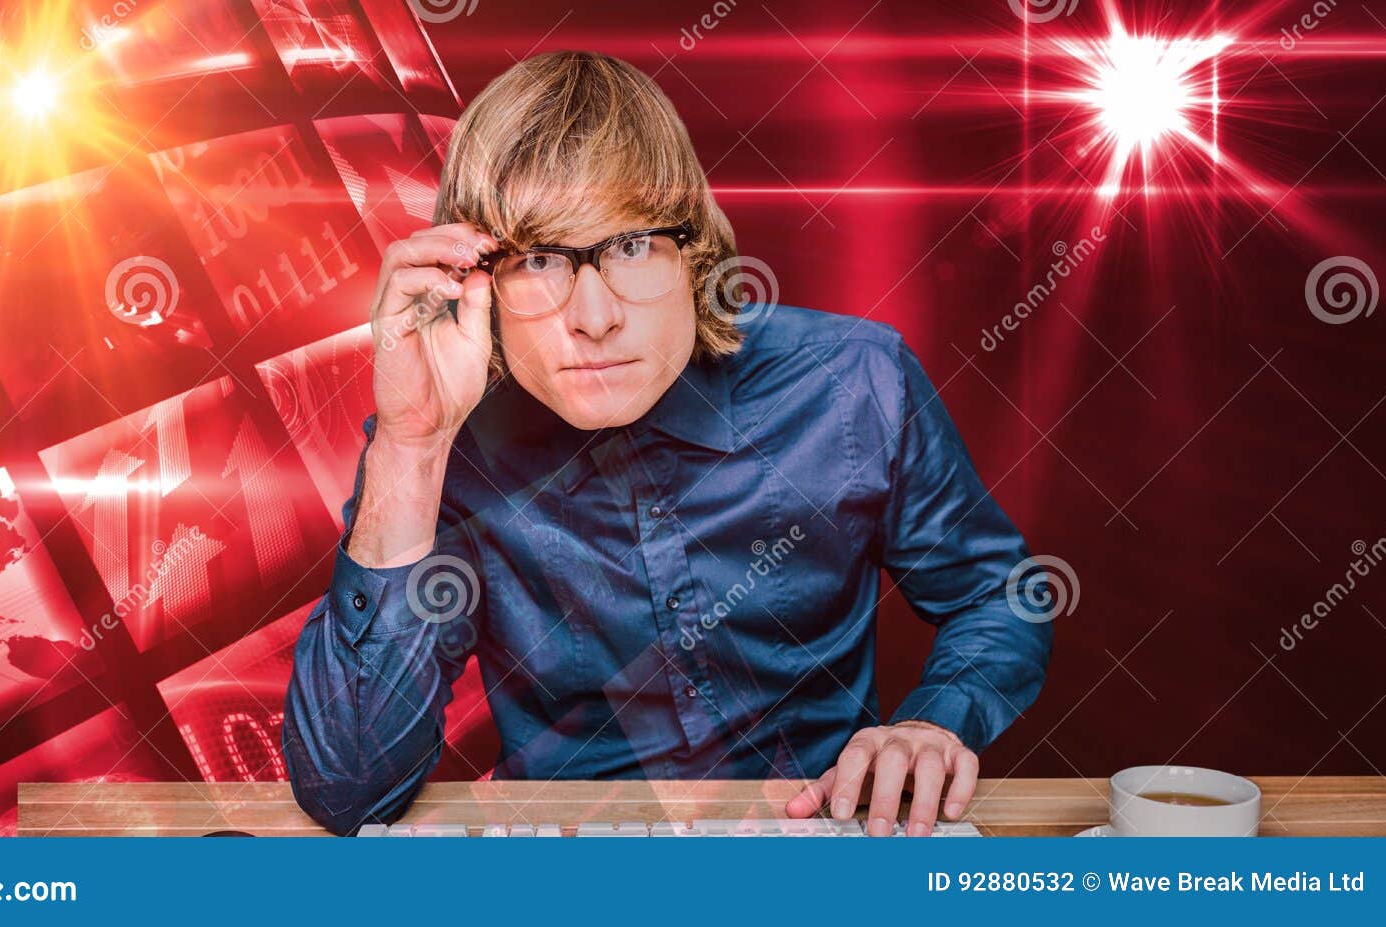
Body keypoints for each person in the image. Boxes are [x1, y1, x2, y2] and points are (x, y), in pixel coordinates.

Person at [283, 50, 1052, 836]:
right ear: (473, 281)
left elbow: (996, 591)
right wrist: (412, 448)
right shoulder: (441, 445)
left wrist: (935, 722)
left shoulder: (854, 381)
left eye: (630, 245)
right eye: (540, 259)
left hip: (821, 838)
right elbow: (346, 792)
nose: (594, 317)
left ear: (695, 251)